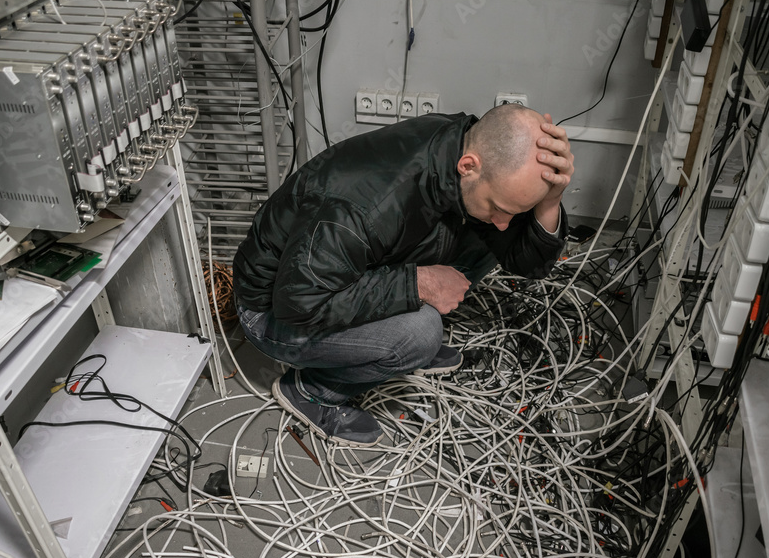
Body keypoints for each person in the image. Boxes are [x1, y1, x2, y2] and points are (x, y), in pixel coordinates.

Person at [233, 104, 574, 447]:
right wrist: (419, 283)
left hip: (336, 273)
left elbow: (528, 264)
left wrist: (551, 200)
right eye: (501, 208)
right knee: (421, 333)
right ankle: (312, 390)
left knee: (483, 233)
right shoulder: (362, 207)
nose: (504, 222)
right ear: (468, 167)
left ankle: (392, 337)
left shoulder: (463, 153)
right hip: (275, 312)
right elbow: (299, 305)